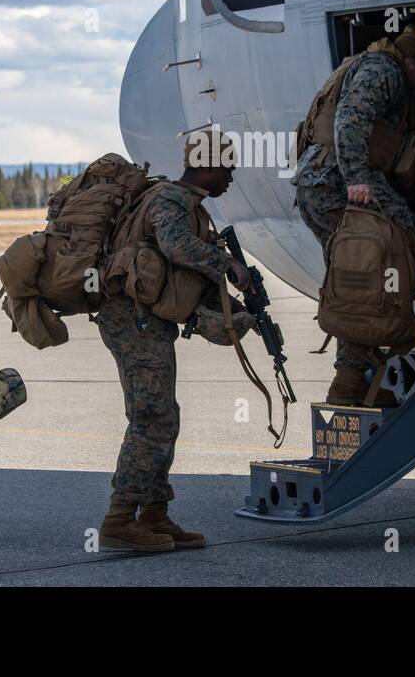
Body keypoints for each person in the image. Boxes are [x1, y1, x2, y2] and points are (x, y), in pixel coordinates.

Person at [96, 128, 250, 552]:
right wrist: (228, 264)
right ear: (207, 166)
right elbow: (176, 246)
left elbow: (177, 272)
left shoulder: (188, 205)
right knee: (151, 418)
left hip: (146, 321)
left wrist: (231, 309)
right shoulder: (170, 200)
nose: (232, 176)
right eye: (228, 167)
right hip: (133, 321)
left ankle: (155, 515)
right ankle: (120, 519)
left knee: (164, 416)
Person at [292, 24, 415, 407]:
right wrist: (358, 179)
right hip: (337, 185)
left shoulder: (373, 66)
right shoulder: (384, 70)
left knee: (360, 280)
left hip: (321, 185)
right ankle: (360, 371)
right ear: (412, 62)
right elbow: (349, 123)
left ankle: (353, 381)